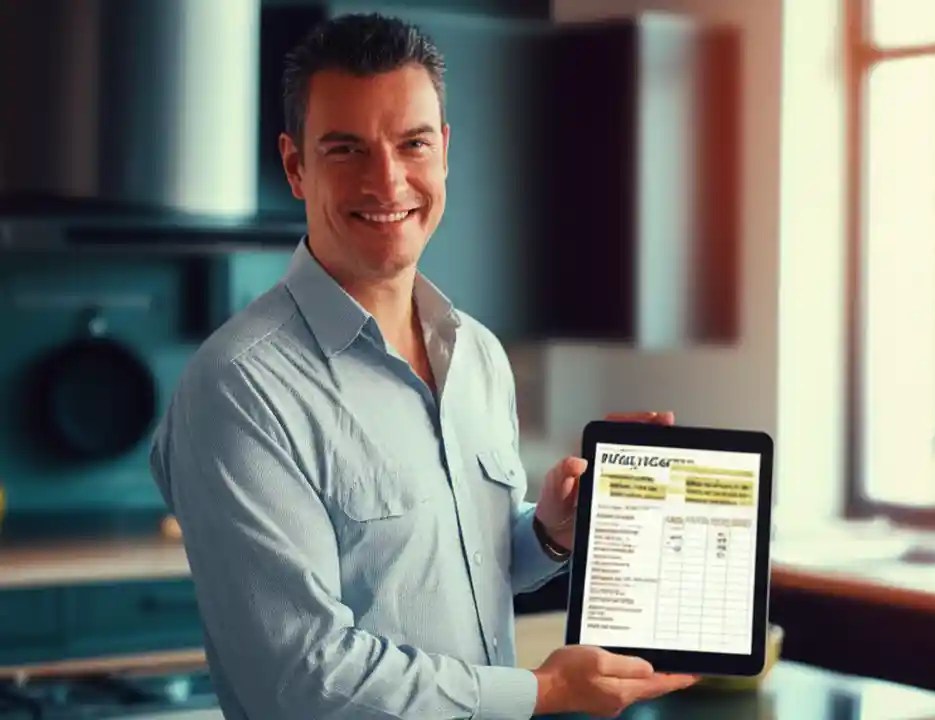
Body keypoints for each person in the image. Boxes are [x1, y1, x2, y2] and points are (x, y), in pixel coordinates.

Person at [149, 13, 695, 719]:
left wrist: (548, 534)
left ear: (444, 151)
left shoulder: (478, 354)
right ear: (295, 167)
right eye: (346, 149)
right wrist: (546, 691)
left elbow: (444, 570)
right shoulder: (240, 387)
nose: (387, 181)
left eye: (412, 143)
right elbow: (302, 679)